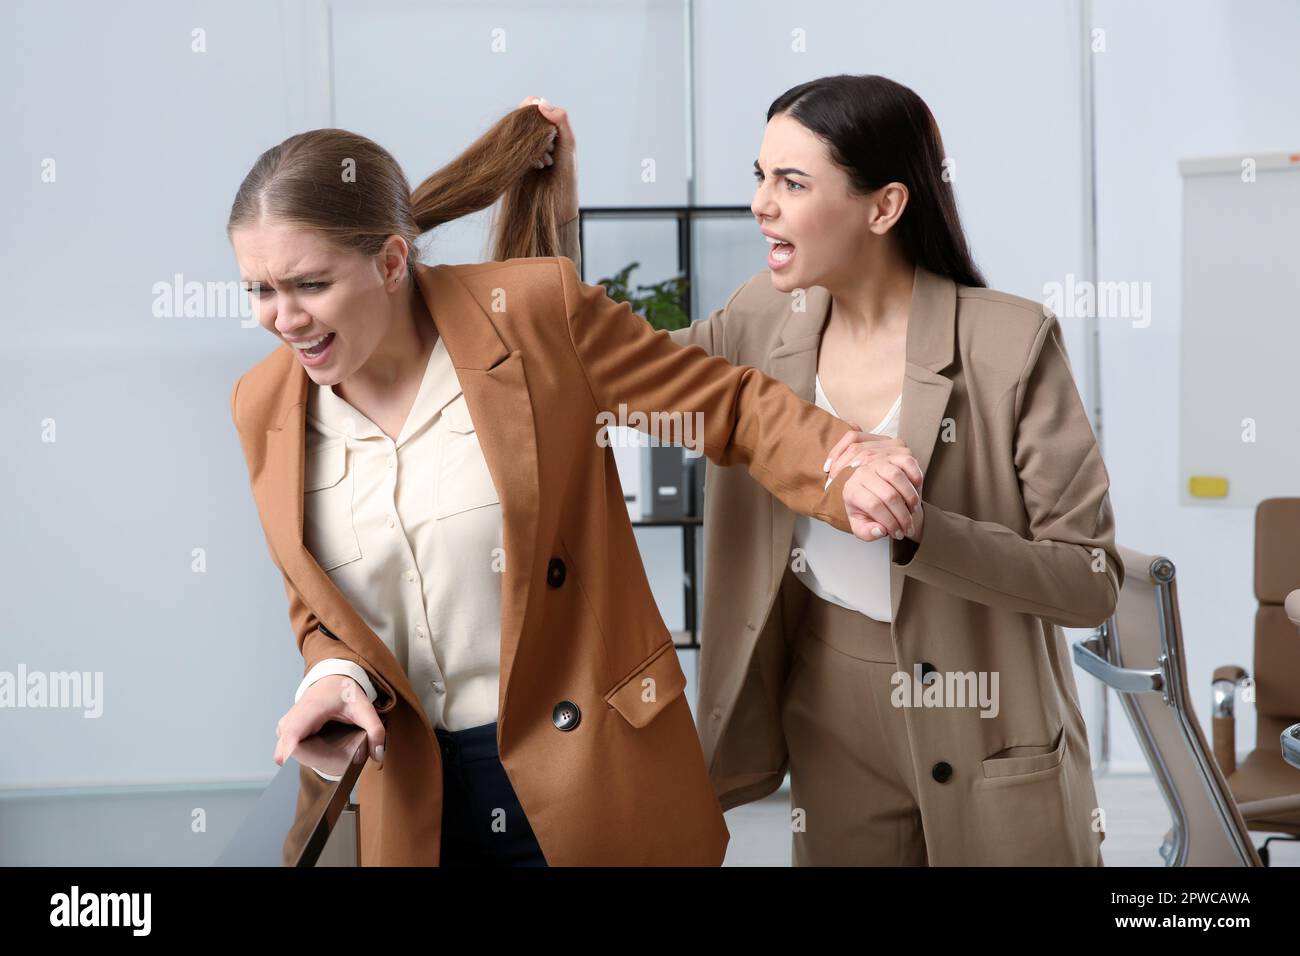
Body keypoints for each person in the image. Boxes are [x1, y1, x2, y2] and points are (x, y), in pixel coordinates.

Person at [226, 98, 917, 866]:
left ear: (391, 263)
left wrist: (844, 460)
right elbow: (317, 605)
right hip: (408, 795)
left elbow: (722, 403)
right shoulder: (263, 407)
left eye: (308, 285)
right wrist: (331, 669)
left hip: (586, 769)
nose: (280, 318)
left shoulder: (529, 315)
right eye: (259, 290)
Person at [562, 75, 1123, 865]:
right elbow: (609, 376)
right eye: (759, 178)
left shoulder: (1011, 343)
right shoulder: (759, 317)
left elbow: (1088, 580)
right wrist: (554, 207)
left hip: (989, 705)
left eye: (792, 183)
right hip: (828, 707)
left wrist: (925, 531)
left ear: (884, 207)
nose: (762, 204)